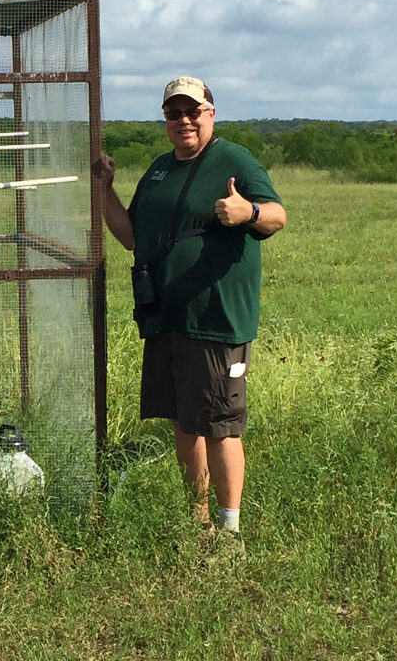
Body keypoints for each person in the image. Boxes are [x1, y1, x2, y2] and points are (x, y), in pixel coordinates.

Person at [100, 76, 286, 553]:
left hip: (215, 318)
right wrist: (104, 189)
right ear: (165, 119)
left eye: (192, 111)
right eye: (173, 113)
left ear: (211, 114)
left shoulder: (235, 160)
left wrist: (247, 212)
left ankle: (229, 534)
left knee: (220, 424)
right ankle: (196, 521)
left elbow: (277, 217)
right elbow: (131, 236)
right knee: (185, 420)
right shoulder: (160, 169)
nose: (183, 120)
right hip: (168, 316)